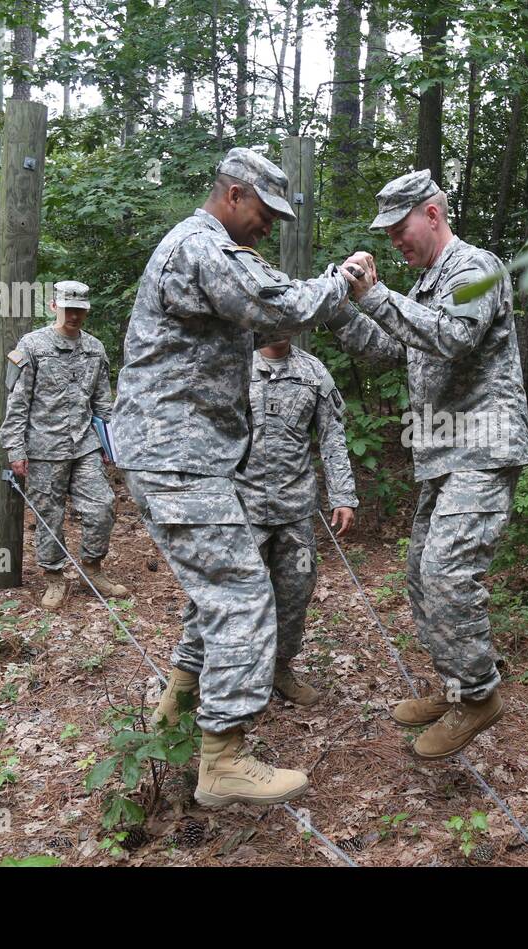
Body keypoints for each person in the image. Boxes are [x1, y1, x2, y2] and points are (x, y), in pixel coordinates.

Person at [114, 147, 352, 807]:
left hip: (184, 455)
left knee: (219, 587)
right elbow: (273, 306)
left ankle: (175, 706)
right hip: (174, 455)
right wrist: (341, 283)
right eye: (265, 213)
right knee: (245, 596)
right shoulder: (200, 248)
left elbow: (244, 332)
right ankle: (223, 757)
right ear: (235, 194)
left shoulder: (202, 251)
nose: (268, 226)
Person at [327, 169, 528, 759]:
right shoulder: (424, 286)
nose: (394, 241)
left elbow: (453, 338)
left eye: (400, 227)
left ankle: (480, 695)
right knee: (420, 575)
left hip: (484, 448)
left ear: (433, 214)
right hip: (441, 453)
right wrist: (339, 307)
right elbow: (391, 346)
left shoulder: (476, 270)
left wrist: (374, 294)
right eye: (387, 233)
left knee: (447, 573)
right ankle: (455, 686)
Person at [236, 332, 358, 706]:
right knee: (238, 593)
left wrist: (343, 496)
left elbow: (333, 436)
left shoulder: (313, 372)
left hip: (297, 514)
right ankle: (235, 674)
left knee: (296, 590)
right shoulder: (234, 366)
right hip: (241, 509)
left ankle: (280, 667)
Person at [0, 280, 127, 609]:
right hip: (43, 448)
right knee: (49, 516)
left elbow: (102, 404)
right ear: (54, 306)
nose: (74, 315)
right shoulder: (33, 346)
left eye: (80, 310)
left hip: (84, 444)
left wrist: (110, 446)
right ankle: (54, 576)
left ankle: (93, 567)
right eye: (68, 309)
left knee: (102, 506)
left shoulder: (94, 349)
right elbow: (17, 403)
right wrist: (15, 449)